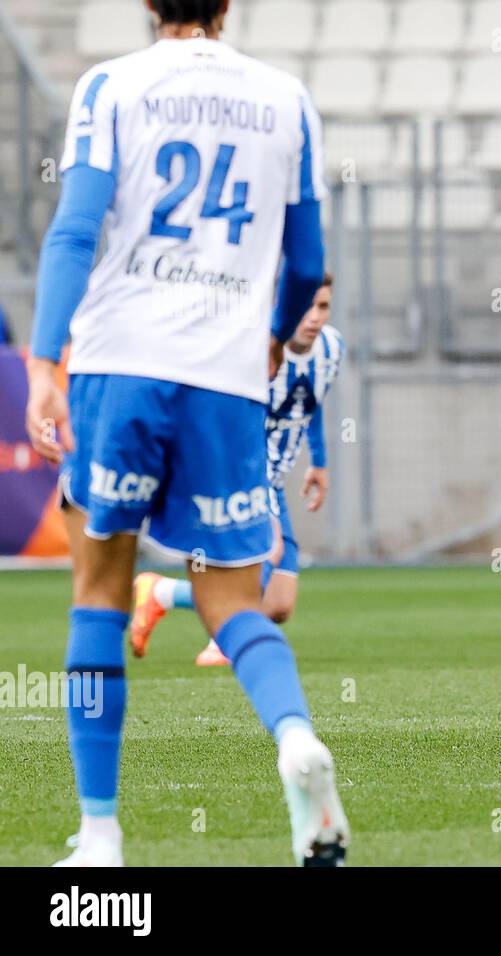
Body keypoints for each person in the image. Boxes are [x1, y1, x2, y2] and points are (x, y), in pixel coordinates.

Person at [24, 0, 349, 865]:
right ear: (227, 5)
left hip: (118, 366)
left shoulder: (111, 85)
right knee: (234, 600)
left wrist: (44, 364)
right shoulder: (286, 97)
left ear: (147, 4)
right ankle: (293, 739)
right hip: (224, 376)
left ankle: (99, 834)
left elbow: (75, 228)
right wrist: (275, 340)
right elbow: (311, 263)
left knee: (98, 590)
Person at [130, 276, 344, 666]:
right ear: (282, 304)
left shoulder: (331, 347)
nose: (314, 317)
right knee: (269, 547)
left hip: (276, 481)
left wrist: (320, 462)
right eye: (306, 305)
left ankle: (159, 592)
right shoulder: (256, 351)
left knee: (279, 605)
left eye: (324, 307)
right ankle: (224, 638)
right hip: (242, 469)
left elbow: (312, 403)